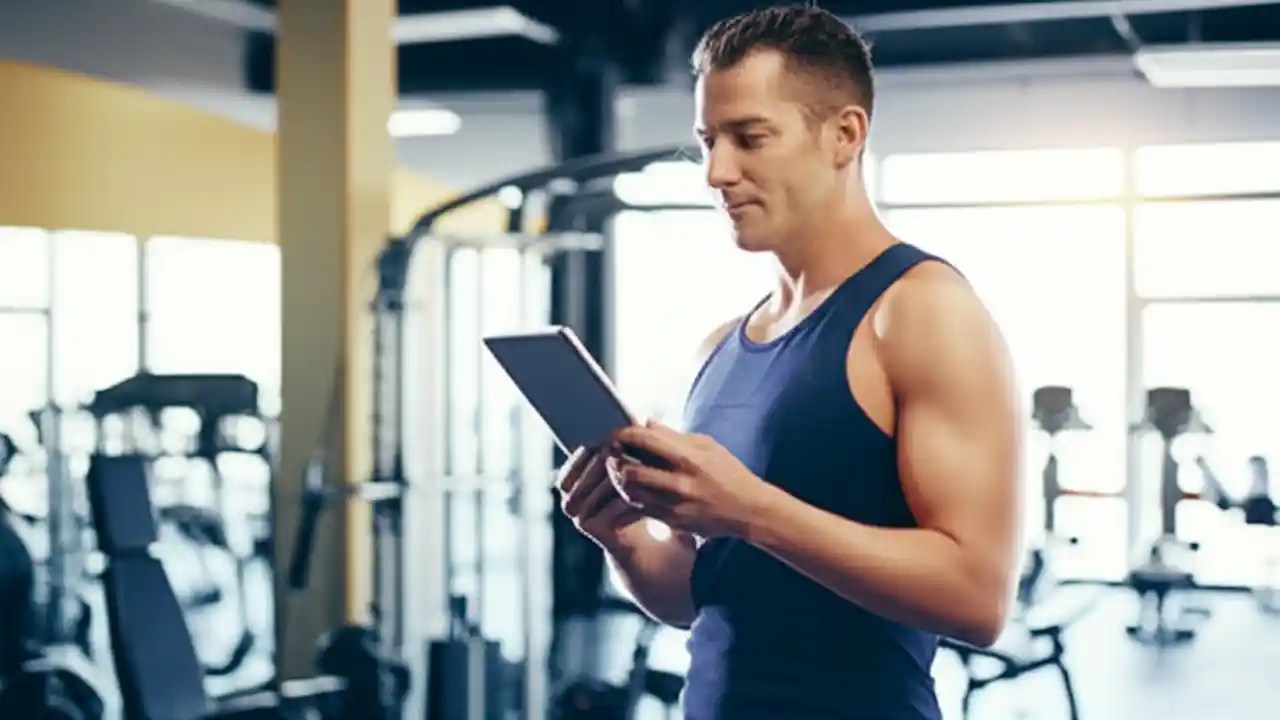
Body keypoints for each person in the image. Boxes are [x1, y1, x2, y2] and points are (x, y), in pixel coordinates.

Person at [555, 5, 1023, 718]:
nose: (717, 171)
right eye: (709, 140)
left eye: (750, 138)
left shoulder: (922, 310)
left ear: (844, 134)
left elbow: (976, 598)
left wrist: (751, 510)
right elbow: (692, 595)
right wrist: (620, 536)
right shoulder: (721, 345)